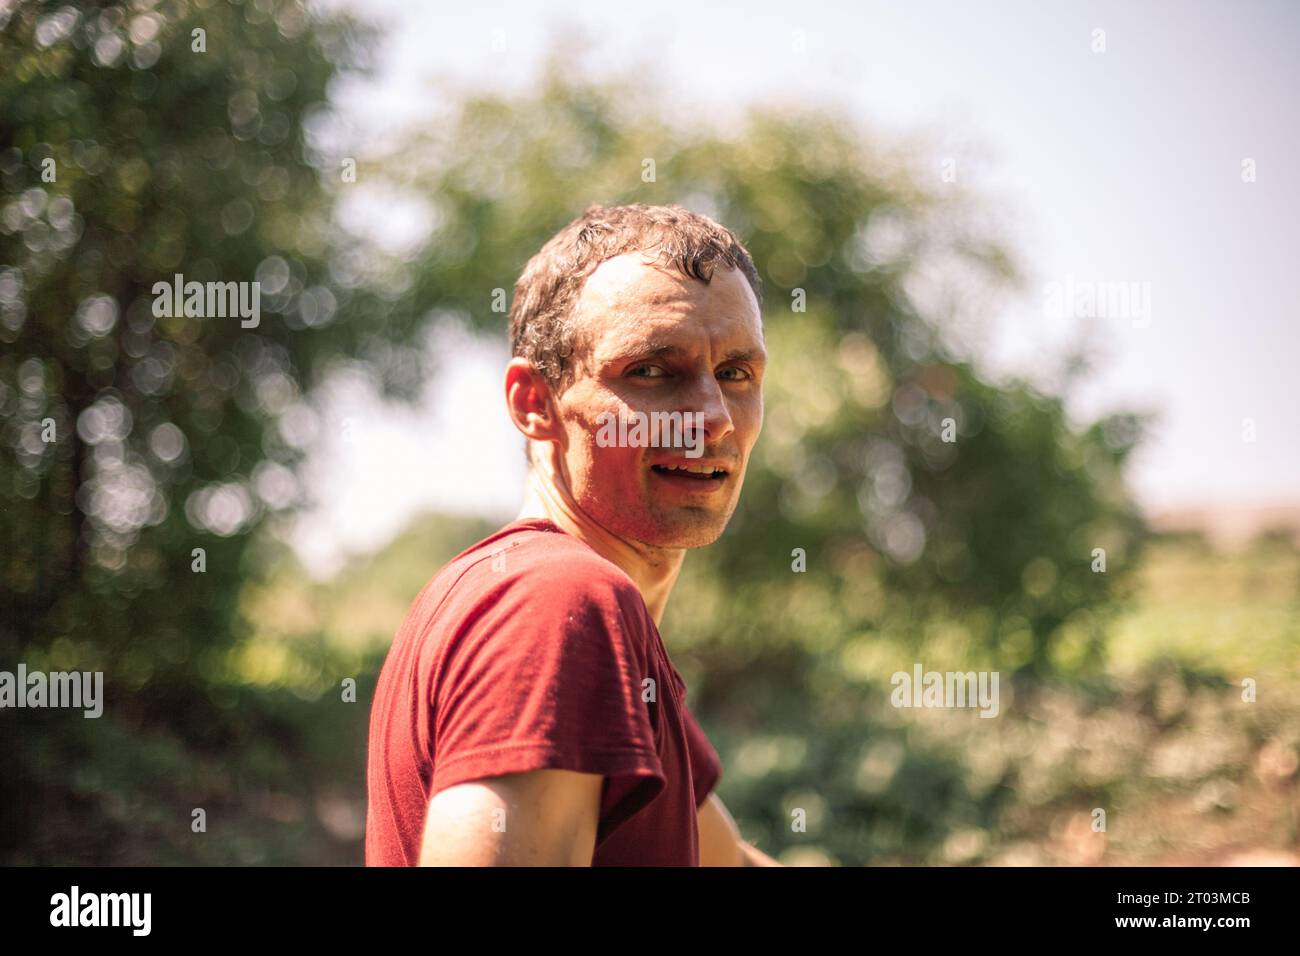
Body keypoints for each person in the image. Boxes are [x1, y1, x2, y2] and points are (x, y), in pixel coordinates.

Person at [366, 203, 781, 866]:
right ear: (534, 404)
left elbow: (727, 861)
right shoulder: (558, 605)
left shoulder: (600, 639)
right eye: (651, 371)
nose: (712, 418)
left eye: (735, 374)